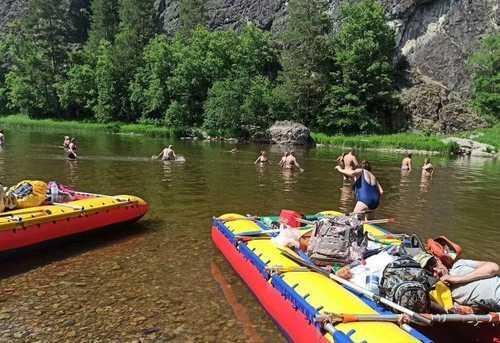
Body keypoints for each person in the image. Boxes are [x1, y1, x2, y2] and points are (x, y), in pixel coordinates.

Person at [415, 253, 500, 312]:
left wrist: (458, 279)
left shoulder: (459, 264)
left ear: (438, 260)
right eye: (429, 271)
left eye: (433, 263)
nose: (436, 270)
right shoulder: (442, 294)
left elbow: (494, 268)